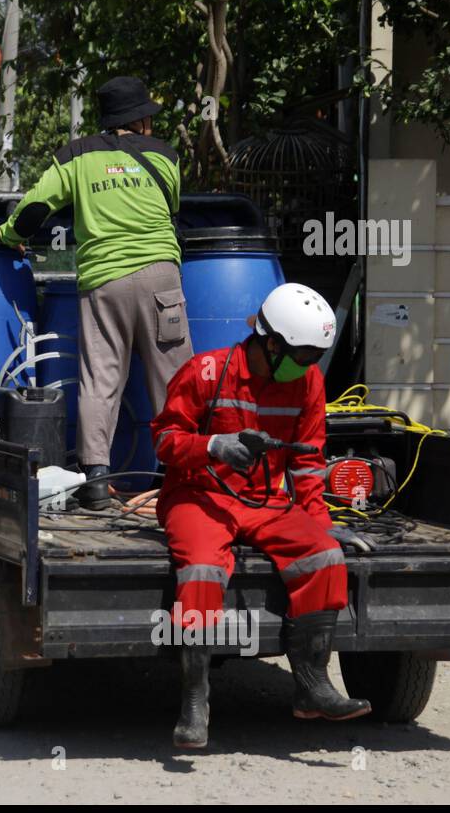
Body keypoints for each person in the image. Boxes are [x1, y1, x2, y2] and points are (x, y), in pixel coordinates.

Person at [151, 283, 376, 749]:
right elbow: (165, 440)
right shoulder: (205, 372)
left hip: (263, 502)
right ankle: (195, 702)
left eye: (316, 355)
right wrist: (212, 447)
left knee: (325, 557)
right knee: (201, 569)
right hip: (198, 495)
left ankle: (312, 688)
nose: (310, 364)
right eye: (303, 354)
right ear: (271, 342)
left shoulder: (308, 381)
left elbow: (308, 460)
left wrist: (318, 520)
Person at [0, 75, 191, 509]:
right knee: (174, 379)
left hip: (104, 283)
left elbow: (35, 208)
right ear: (139, 121)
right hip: (161, 279)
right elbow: (172, 208)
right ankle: (181, 476)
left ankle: (97, 480)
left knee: (100, 378)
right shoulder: (167, 157)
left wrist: (9, 235)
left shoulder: (77, 155)